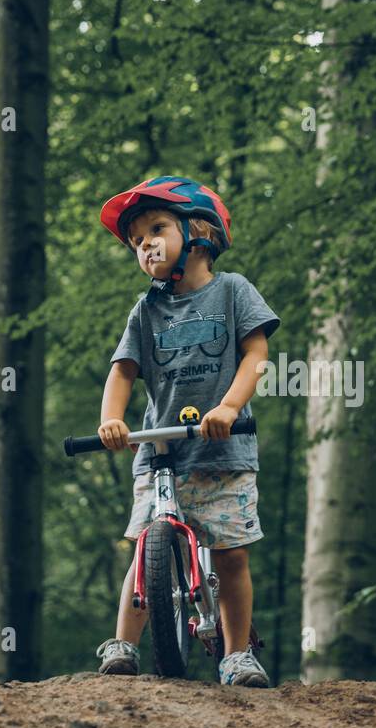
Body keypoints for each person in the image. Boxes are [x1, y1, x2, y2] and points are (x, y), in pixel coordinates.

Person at [93, 176, 280, 687]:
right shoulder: (146, 310)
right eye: (136, 241)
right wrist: (113, 419)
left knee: (231, 553)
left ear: (198, 231)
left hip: (225, 451)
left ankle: (237, 654)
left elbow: (256, 355)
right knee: (144, 548)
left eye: (156, 229)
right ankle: (124, 644)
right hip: (160, 453)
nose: (145, 244)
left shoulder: (232, 290)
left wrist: (229, 407)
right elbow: (123, 371)